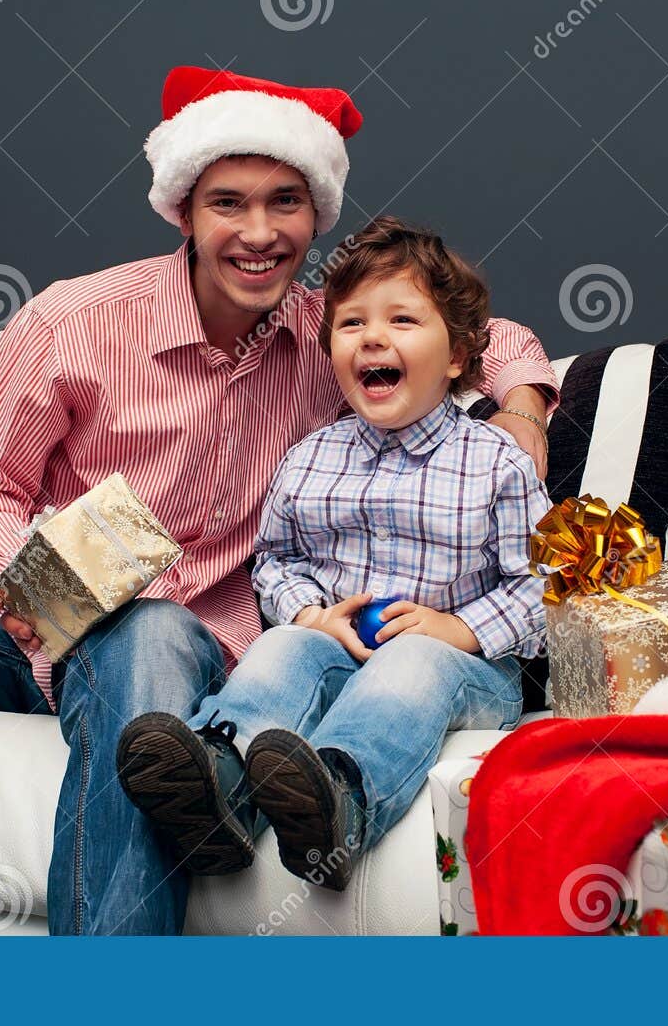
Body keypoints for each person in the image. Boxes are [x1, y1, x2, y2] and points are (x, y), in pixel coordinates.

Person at [0, 67, 557, 935]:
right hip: (7, 627)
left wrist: (523, 407)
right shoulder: (75, 320)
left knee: (146, 626)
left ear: (316, 214)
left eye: (285, 202)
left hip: (176, 647)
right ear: (185, 209)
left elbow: (489, 334)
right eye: (229, 203)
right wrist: (25, 591)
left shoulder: (328, 337)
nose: (258, 232)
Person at [116, 216, 550, 890]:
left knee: (413, 663)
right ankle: (217, 780)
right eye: (352, 325)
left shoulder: (496, 462)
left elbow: (542, 586)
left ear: (460, 356)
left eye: (403, 320)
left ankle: (342, 799)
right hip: (337, 645)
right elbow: (277, 562)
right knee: (283, 649)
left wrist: (456, 628)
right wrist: (309, 614)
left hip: (464, 666)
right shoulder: (311, 457)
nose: (373, 336)